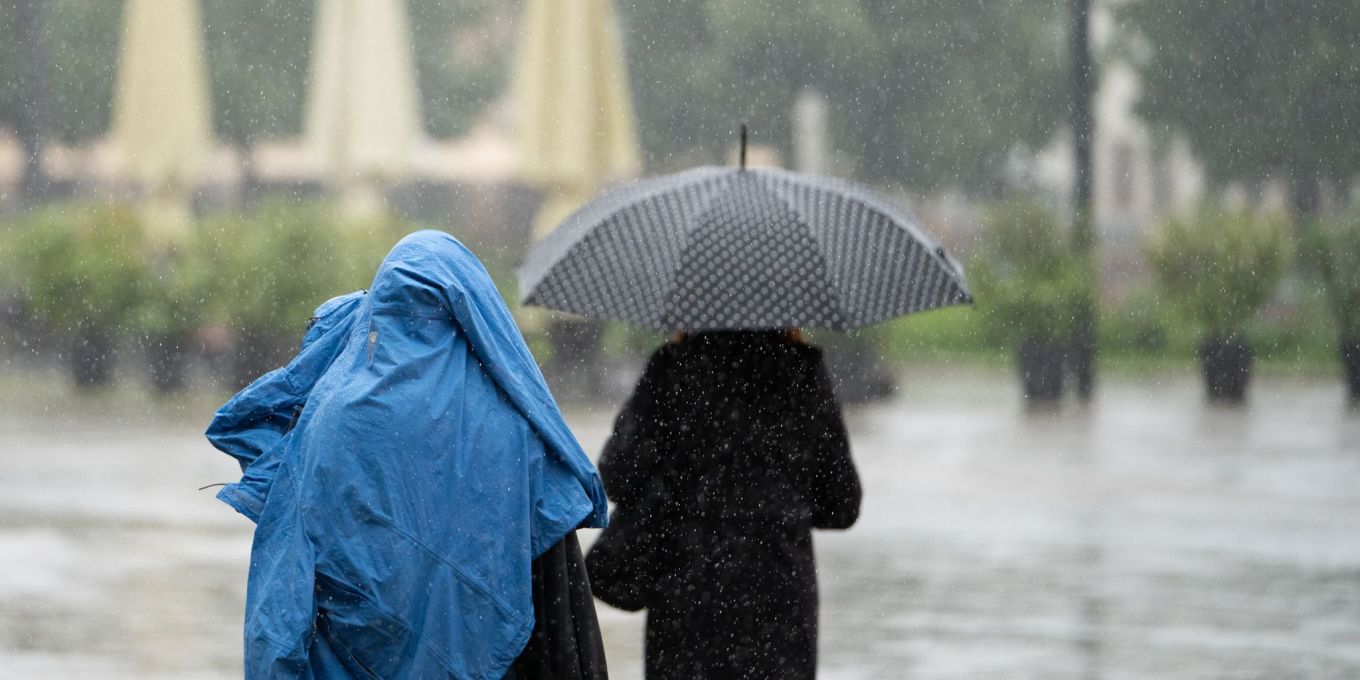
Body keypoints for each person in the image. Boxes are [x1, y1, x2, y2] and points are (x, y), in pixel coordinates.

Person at [205, 230, 610, 679]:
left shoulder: (330, 421)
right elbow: (562, 613)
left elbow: (281, 596)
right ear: (471, 316)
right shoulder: (514, 431)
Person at [591, 329, 861, 680]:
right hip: (779, 597)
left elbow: (618, 475)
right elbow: (841, 505)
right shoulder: (803, 371)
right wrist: (779, 501)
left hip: (687, 591)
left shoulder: (674, 367)